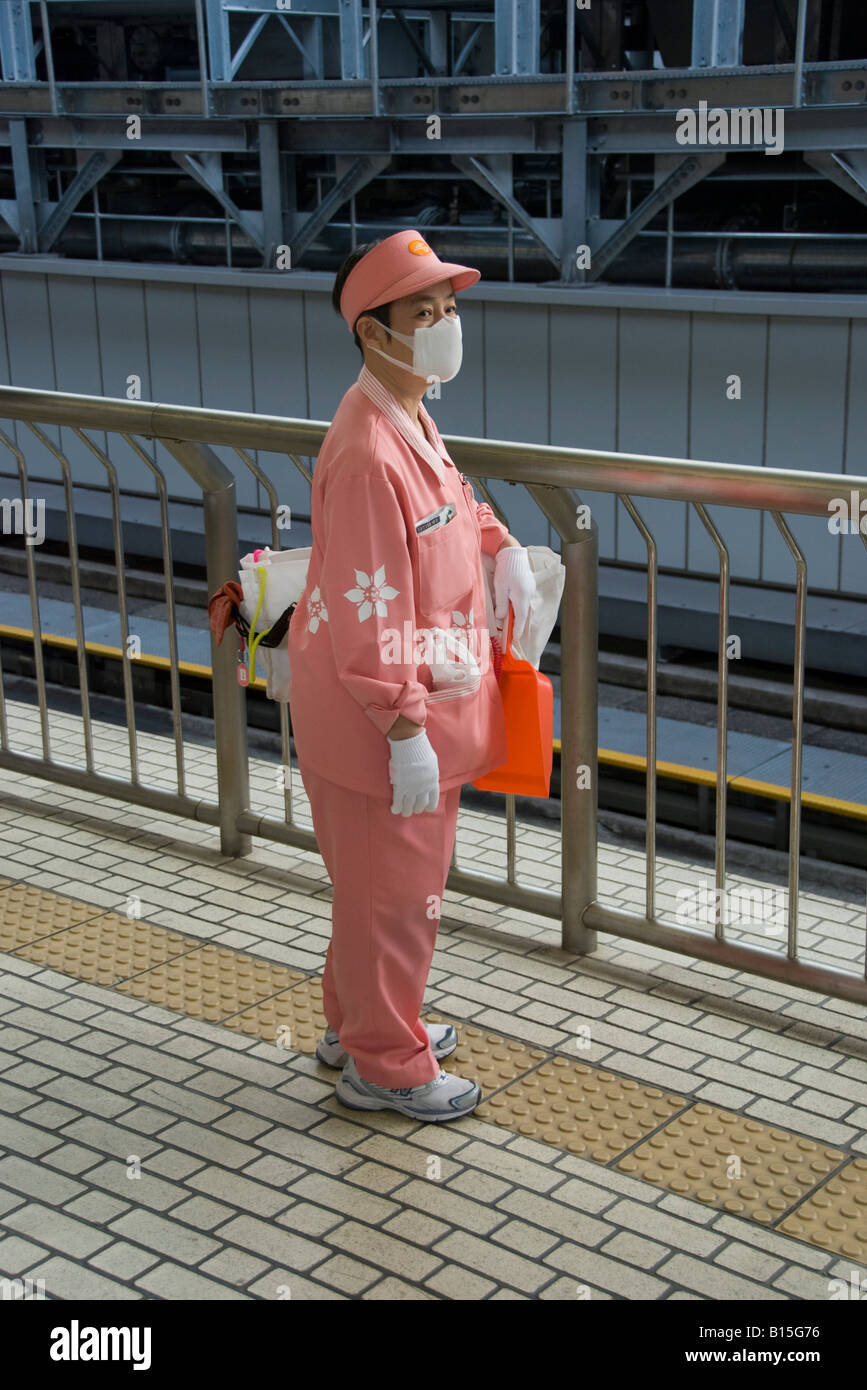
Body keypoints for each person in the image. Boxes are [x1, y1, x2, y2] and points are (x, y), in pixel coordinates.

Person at [287, 230, 536, 1123]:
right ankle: (386, 1064)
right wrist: (403, 733)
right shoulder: (364, 453)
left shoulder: (409, 416)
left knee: (372, 889)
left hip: (410, 710)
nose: (445, 324)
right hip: (382, 722)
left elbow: (456, 502)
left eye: (448, 308)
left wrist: (500, 547)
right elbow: (369, 614)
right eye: (423, 312)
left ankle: (355, 1022)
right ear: (372, 332)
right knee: (393, 899)